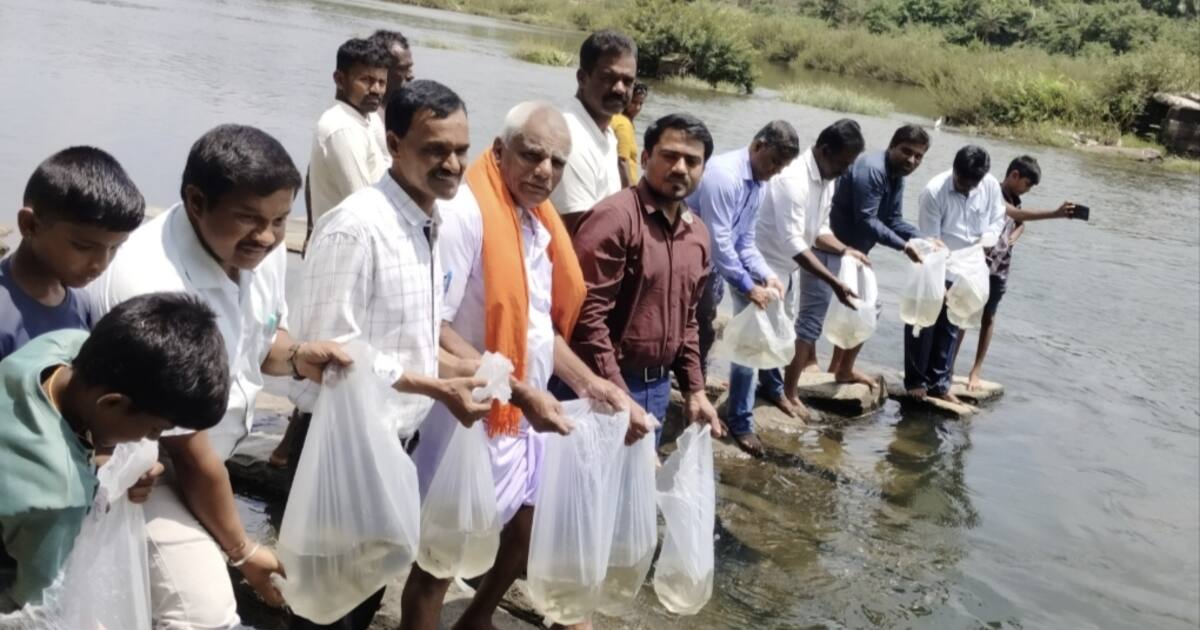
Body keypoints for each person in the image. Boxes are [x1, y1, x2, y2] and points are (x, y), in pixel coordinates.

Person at [89, 124, 351, 628]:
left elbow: (259, 342)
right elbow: (187, 449)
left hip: (205, 457)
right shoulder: (153, 283)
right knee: (204, 614)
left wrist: (296, 355)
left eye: (279, 219)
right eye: (250, 219)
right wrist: (242, 549)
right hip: (146, 467)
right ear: (196, 200)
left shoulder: (256, 252)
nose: (269, 236)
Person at [400, 101, 644, 630]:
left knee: (529, 523)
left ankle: (479, 617)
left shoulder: (535, 221)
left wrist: (590, 382)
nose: (545, 172)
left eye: (557, 162)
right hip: (470, 411)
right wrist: (516, 391)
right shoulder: (468, 213)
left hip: (525, 408)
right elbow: (434, 328)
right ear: (499, 151)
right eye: (532, 156)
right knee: (438, 559)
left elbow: (539, 329)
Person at [288, 80, 497, 630]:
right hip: (341, 445)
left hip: (395, 446)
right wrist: (437, 388)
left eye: (460, 150)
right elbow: (337, 355)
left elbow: (412, 344)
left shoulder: (430, 222)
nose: (452, 164)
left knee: (362, 598)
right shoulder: (358, 226)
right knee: (326, 610)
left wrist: (472, 374)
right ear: (394, 142)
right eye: (435, 150)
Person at [0, 292, 229, 608]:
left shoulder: (60, 348)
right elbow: (30, 594)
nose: (151, 439)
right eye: (155, 429)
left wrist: (111, 458)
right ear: (111, 403)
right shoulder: (59, 494)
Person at [571, 113, 724, 444]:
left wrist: (694, 389)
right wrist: (616, 393)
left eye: (692, 160)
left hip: (656, 388)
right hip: (601, 383)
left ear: (703, 170)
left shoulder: (697, 234)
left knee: (633, 494)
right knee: (587, 491)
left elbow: (688, 321)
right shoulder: (616, 219)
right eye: (669, 155)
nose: (680, 167)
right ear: (644, 158)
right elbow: (586, 317)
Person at [687, 120, 799, 457]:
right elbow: (720, 243)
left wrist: (767, 274)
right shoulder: (724, 175)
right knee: (691, 330)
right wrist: (749, 287)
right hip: (690, 261)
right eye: (773, 162)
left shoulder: (758, 183)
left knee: (703, 331)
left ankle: (704, 398)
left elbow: (744, 240)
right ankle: (715, 410)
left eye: (782, 167)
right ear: (758, 145)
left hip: (714, 269)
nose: (775, 172)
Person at [756, 119, 866, 418]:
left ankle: (773, 389)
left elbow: (818, 230)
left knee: (779, 336)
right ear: (824, 150)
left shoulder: (827, 180)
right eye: (843, 162)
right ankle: (745, 412)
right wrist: (833, 281)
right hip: (762, 264)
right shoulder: (793, 180)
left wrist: (845, 250)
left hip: (785, 269)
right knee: (757, 338)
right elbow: (794, 241)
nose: (845, 170)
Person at [1, 146, 143, 361]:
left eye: (115, 247)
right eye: (83, 246)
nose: (100, 264)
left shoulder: (82, 303)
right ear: (30, 225)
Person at [822, 124, 932, 389]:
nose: (911, 160)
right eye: (906, 151)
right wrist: (904, 247)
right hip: (831, 246)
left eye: (918, 156)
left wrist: (922, 240)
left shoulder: (897, 175)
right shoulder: (873, 169)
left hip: (855, 254)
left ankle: (838, 368)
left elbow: (892, 220)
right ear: (892, 146)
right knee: (867, 308)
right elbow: (866, 220)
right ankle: (841, 369)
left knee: (857, 309)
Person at [956, 155, 1077, 389]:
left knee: (988, 317)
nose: (1028, 190)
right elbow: (1015, 214)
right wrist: (1055, 213)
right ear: (1014, 175)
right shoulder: (992, 192)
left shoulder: (1015, 197)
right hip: (980, 262)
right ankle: (948, 365)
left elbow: (1020, 222)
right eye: (1028, 184)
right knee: (963, 314)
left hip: (1000, 267)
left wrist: (1015, 236)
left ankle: (976, 370)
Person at [908, 145, 1006, 403]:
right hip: (937, 258)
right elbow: (930, 238)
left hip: (969, 263)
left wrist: (988, 239)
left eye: (972, 183)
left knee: (953, 323)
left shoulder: (990, 186)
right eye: (962, 181)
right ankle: (916, 381)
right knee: (923, 320)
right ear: (954, 169)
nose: (966, 187)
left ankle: (939, 384)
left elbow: (998, 218)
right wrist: (938, 277)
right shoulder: (934, 191)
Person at [549, 29, 637, 232]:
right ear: (582, 78)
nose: (620, 89)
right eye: (608, 78)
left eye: (628, 81)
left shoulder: (606, 132)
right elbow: (580, 231)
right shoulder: (570, 135)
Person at [307, 37, 392, 231]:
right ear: (339, 80)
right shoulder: (342, 128)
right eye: (366, 81)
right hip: (346, 246)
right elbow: (362, 204)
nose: (376, 90)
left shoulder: (368, 119)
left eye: (382, 82)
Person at [368, 29, 415, 152]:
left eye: (410, 67)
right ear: (380, 69)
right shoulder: (366, 117)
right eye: (403, 69)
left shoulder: (398, 112)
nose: (410, 76)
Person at [611, 81, 648, 186]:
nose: (637, 108)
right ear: (625, 99)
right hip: (623, 186)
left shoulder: (615, 118)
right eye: (634, 102)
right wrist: (630, 194)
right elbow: (622, 161)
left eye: (640, 103)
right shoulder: (623, 124)